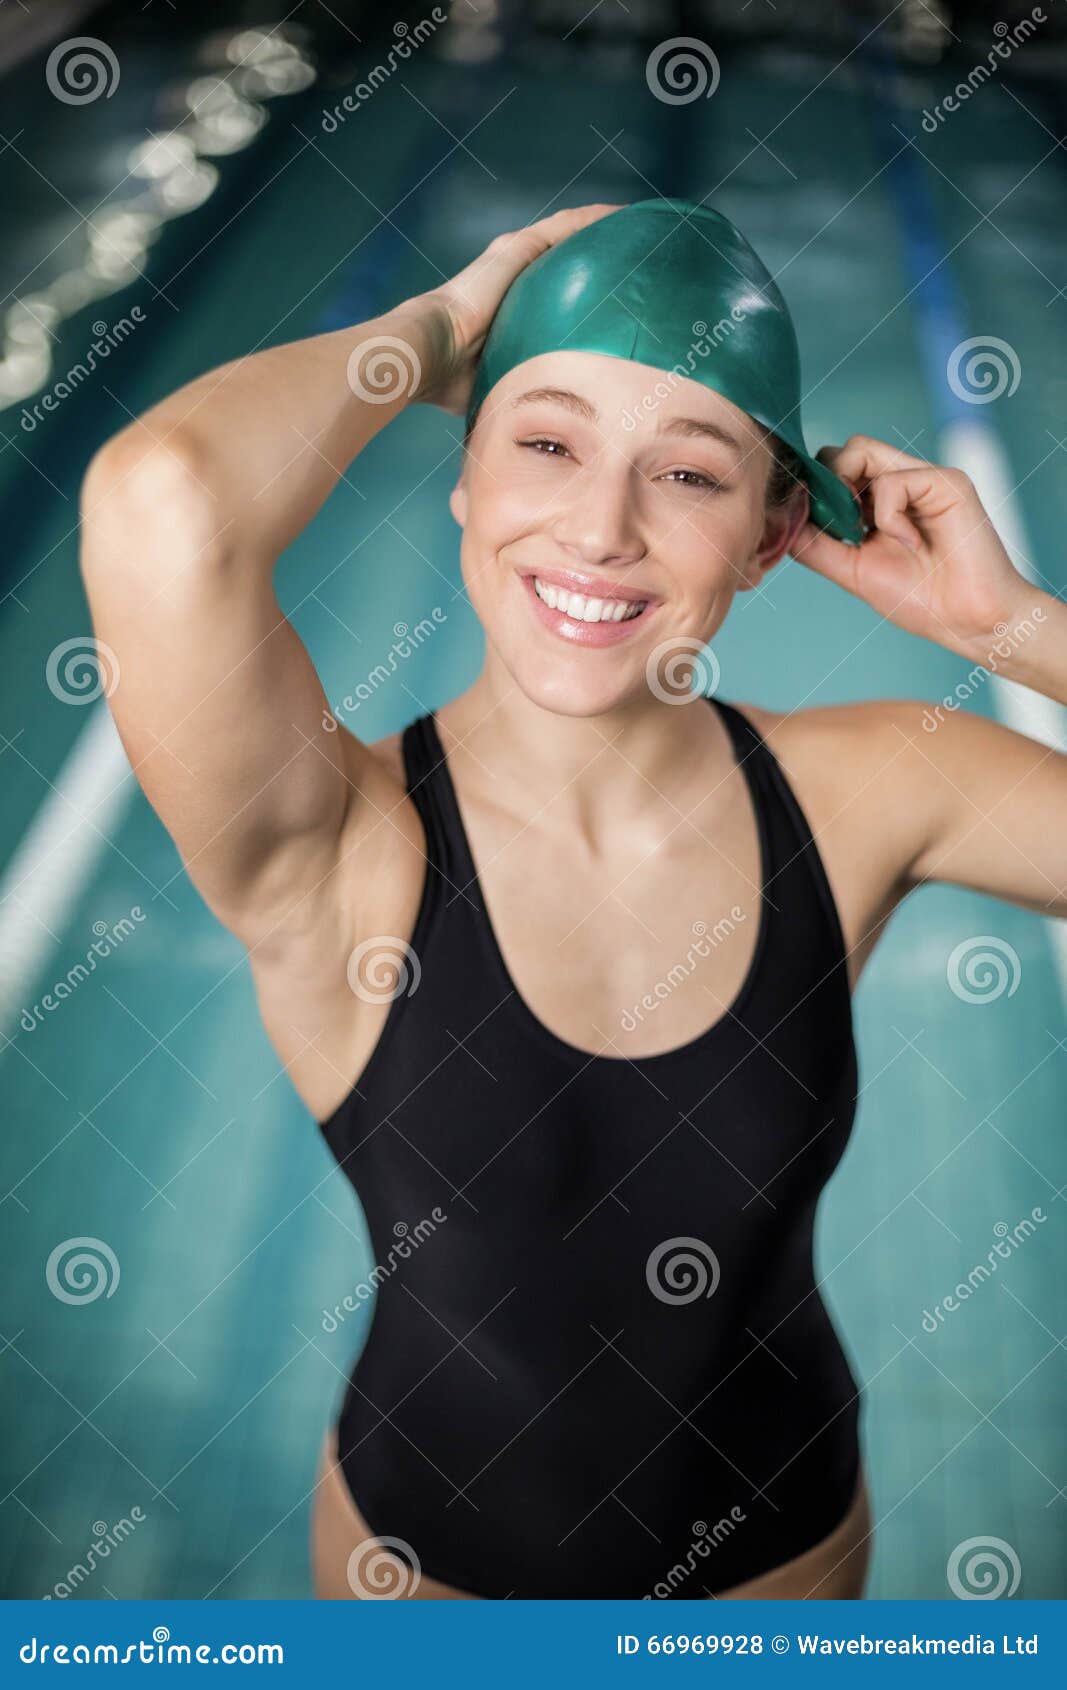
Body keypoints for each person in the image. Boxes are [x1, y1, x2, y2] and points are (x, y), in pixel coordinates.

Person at [79, 200, 1067, 1600]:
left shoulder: (870, 790)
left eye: (690, 476)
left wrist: (1006, 628)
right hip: (423, 1585)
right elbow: (162, 499)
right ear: (464, 475)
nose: (600, 529)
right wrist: (434, 336)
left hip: (777, 1565)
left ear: (777, 532)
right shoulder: (340, 848)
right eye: (543, 444)